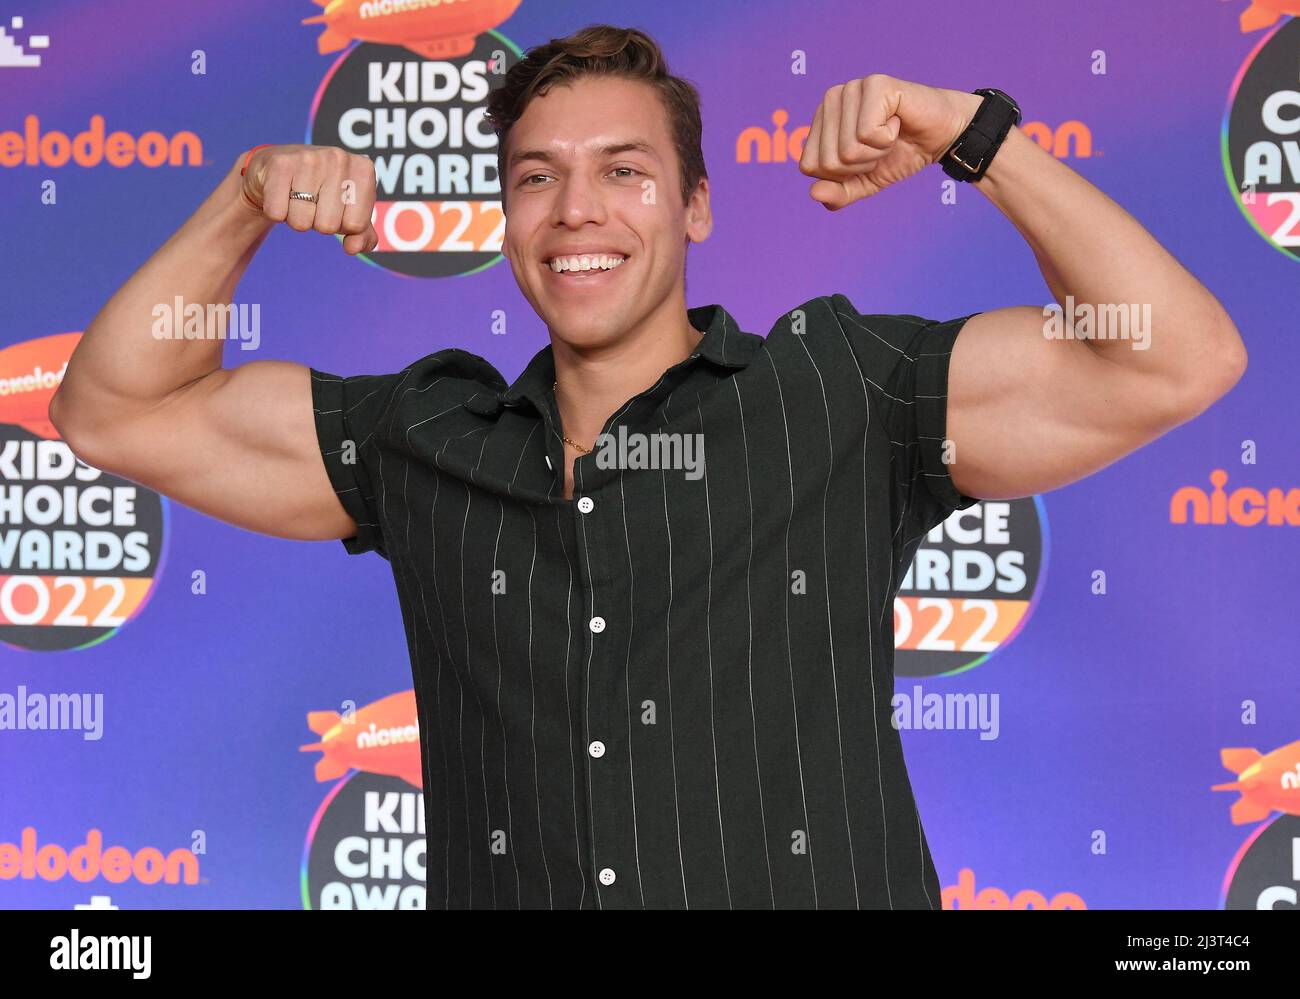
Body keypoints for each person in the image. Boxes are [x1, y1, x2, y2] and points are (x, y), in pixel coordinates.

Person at [50, 24, 1246, 909]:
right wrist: (242, 203)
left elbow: (1171, 358)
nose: (578, 210)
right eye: (536, 178)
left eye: (624, 171)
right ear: (506, 222)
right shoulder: (425, 436)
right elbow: (114, 412)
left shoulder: (838, 389)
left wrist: (972, 137)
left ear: (696, 209)